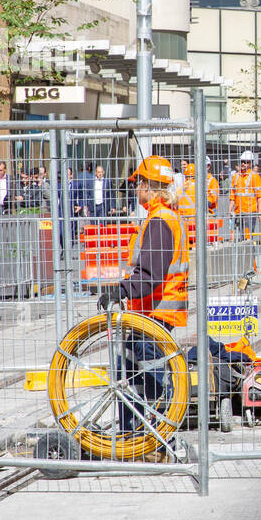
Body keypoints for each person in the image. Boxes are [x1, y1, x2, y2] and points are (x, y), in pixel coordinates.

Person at [96, 156, 189, 451]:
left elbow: (150, 276)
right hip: (151, 315)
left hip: (153, 316)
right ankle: (134, 438)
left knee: (148, 383)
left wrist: (119, 290)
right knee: (132, 377)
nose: (135, 190)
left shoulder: (161, 222)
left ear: (149, 186)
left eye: (138, 184)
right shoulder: (163, 217)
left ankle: (154, 443)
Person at [230, 151, 261, 240]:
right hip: (238, 211)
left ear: (251, 163)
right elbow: (232, 195)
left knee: (248, 237)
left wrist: (260, 211)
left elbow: (259, 196)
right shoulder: (236, 177)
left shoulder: (255, 177)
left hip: (250, 211)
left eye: (247, 162)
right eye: (243, 161)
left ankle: (249, 252)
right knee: (241, 236)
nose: (244, 164)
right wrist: (230, 210)